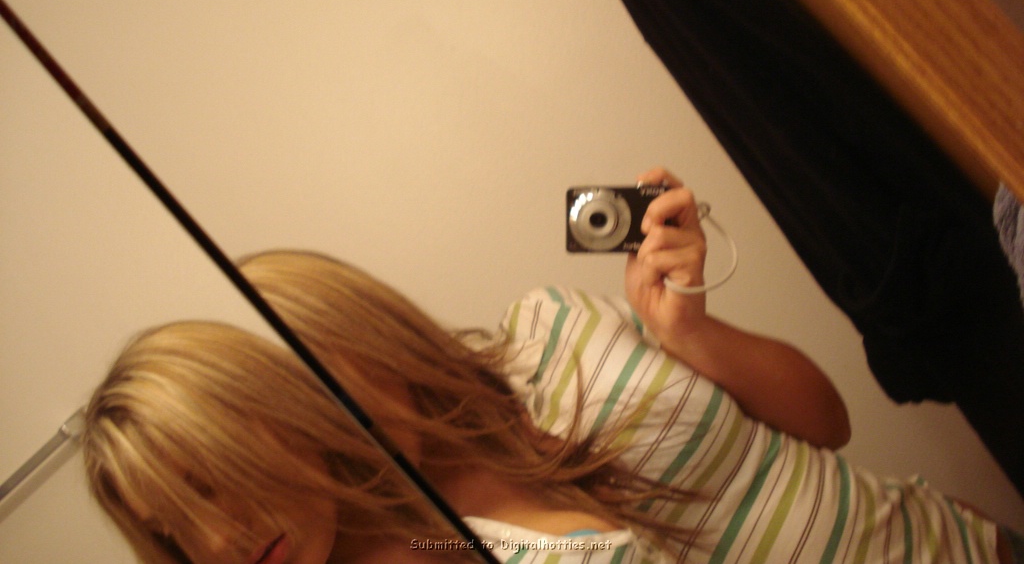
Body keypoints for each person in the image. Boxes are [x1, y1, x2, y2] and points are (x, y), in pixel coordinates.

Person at [82, 168, 1021, 563]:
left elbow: (827, 425)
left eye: (323, 376)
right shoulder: (422, 540)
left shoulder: (549, 323)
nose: (213, 537)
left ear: (366, 324)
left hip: (953, 541)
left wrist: (695, 335)